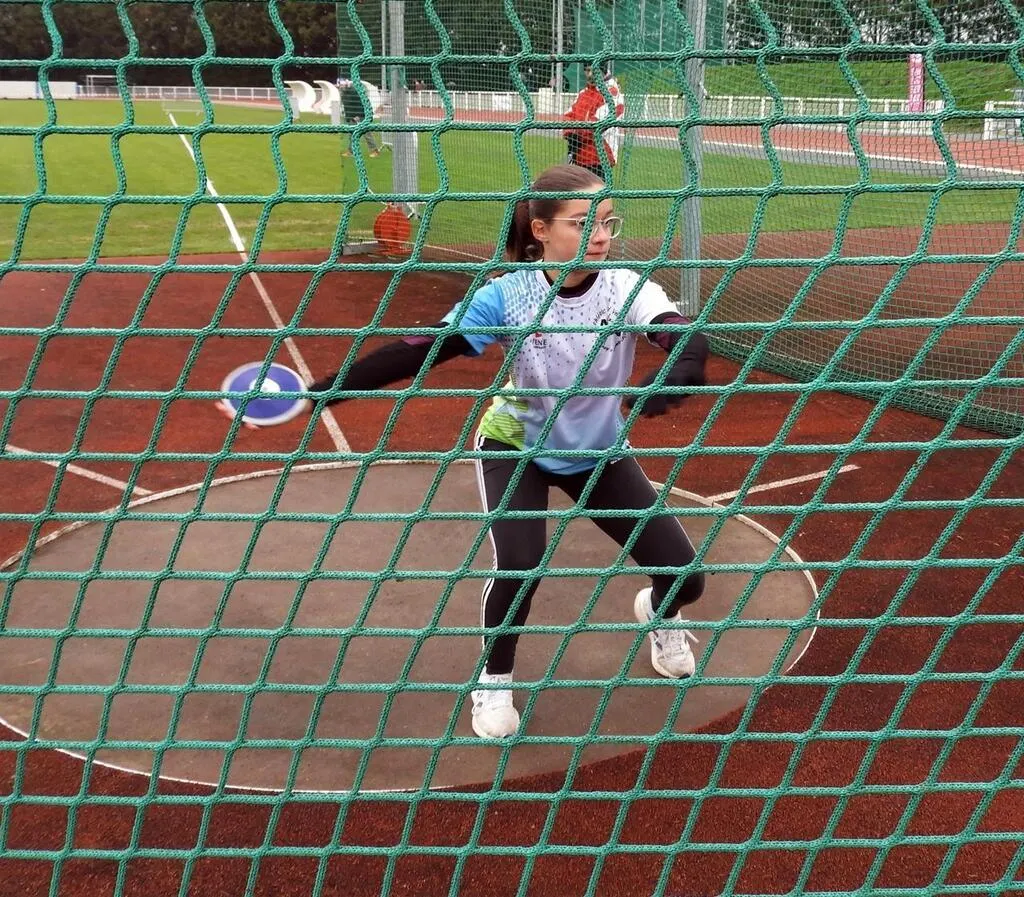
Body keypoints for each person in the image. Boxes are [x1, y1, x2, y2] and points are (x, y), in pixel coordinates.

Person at [232, 164, 708, 740]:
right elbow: (419, 351)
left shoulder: (629, 288)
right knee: (521, 561)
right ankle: (494, 680)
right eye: (583, 224)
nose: (601, 235)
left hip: (598, 451)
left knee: (685, 576)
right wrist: (321, 393)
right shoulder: (508, 296)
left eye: (607, 222)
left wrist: (678, 371)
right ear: (540, 230)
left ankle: (661, 616)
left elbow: (680, 333)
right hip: (516, 445)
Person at [562, 67, 625, 181]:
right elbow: (568, 115)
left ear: (603, 70)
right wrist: (570, 133)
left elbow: (599, 124)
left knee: (596, 195)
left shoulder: (612, 93)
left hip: (599, 157)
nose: (589, 74)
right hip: (578, 154)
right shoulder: (583, 93)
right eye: (586, 70)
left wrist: (575, 134)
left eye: (593, 70)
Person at [337, 77, 381, 158]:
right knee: (352, 135)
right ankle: (351, 151)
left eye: (342, 85)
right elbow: (348, 107)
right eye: (340, 86)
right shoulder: (343, 93)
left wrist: (357, 115)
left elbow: (360, 104)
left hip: (360, 115)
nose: (340, 87)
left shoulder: (354, 91)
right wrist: (349, 117)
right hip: (351, 116)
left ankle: (375, 150)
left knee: (367, 134)